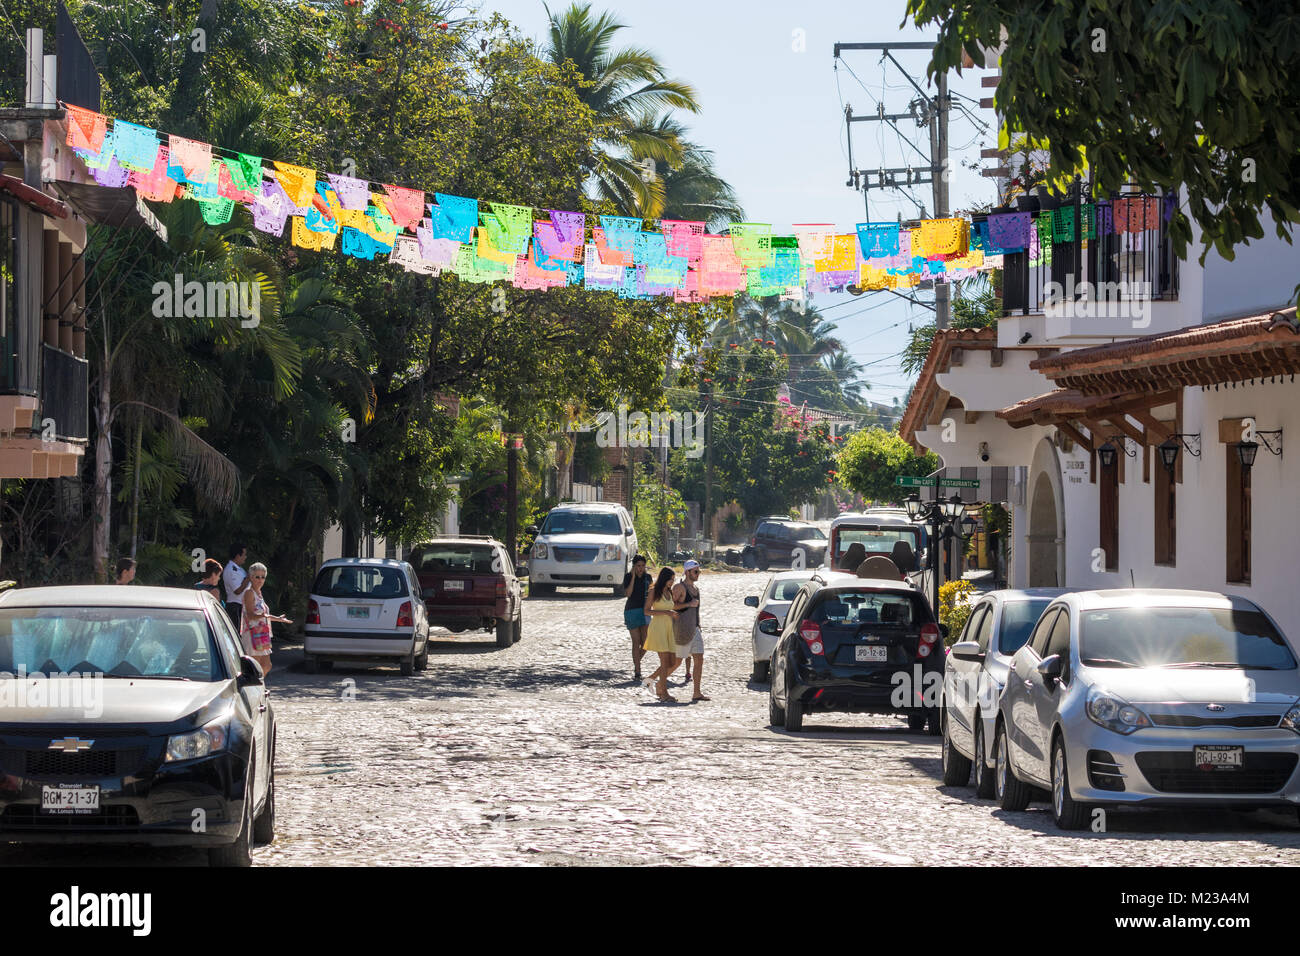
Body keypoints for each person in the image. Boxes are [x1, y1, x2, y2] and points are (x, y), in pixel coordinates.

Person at [240, 562, 291, 677]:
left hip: (262, 633)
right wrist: (264, 616)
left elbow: (264, 615)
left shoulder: (259, 593)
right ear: (251, 577)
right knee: (255, 667)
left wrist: (279, 619)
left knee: (266, 665)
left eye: (263, 577)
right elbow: (250, 615)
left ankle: (257, 687)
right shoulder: (249, 593)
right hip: (252, 634)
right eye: (257, 576)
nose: (260, 579)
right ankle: (254, 688)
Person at [641, 567, 680, 703]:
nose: (672, 582)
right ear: (664, 578)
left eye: (673, 580)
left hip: (669, 629)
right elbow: (646, 611)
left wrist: (673, 614)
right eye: (670, 579)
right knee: (664, 662)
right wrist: (667, 613)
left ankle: (652, 680)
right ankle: (664, 693)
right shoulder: (654, 592)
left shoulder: (669, 592)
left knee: (672, 661)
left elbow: (671, 608)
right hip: (658, 628)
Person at [672, 559, 709, 702]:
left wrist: (698, 623)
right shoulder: (679, 588)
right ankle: (657, 683)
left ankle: (697, 692)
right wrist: (688, 603)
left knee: (699, 659)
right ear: (687, 572)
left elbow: (695, 609)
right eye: (695, 571)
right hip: (682, 629)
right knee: (676, 663)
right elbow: (672, 606)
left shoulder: (696, 589)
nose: (698, 574)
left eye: (699, 571)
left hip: (695, 629)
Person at [621, 555, 651, 682]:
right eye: (638, 566)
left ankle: (636, 661)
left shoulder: (648, 578)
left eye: (643, 566)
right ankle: (638, 671)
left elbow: (652, 594)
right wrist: (633, 576)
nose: (640, 568)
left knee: (646, 642)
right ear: (634, 566)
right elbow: (628, 594)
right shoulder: (628, 577)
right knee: (636, 641)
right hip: (631, 611)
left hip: (645, 611)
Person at [223, 544, 250, 629]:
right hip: (234, 607)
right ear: (238, 556)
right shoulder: (230, 569)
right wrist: (249, 578)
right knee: (236, 635)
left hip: (241, 606)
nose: (245, 557)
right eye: (244, 554)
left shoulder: (240, 569)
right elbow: (237, 590)